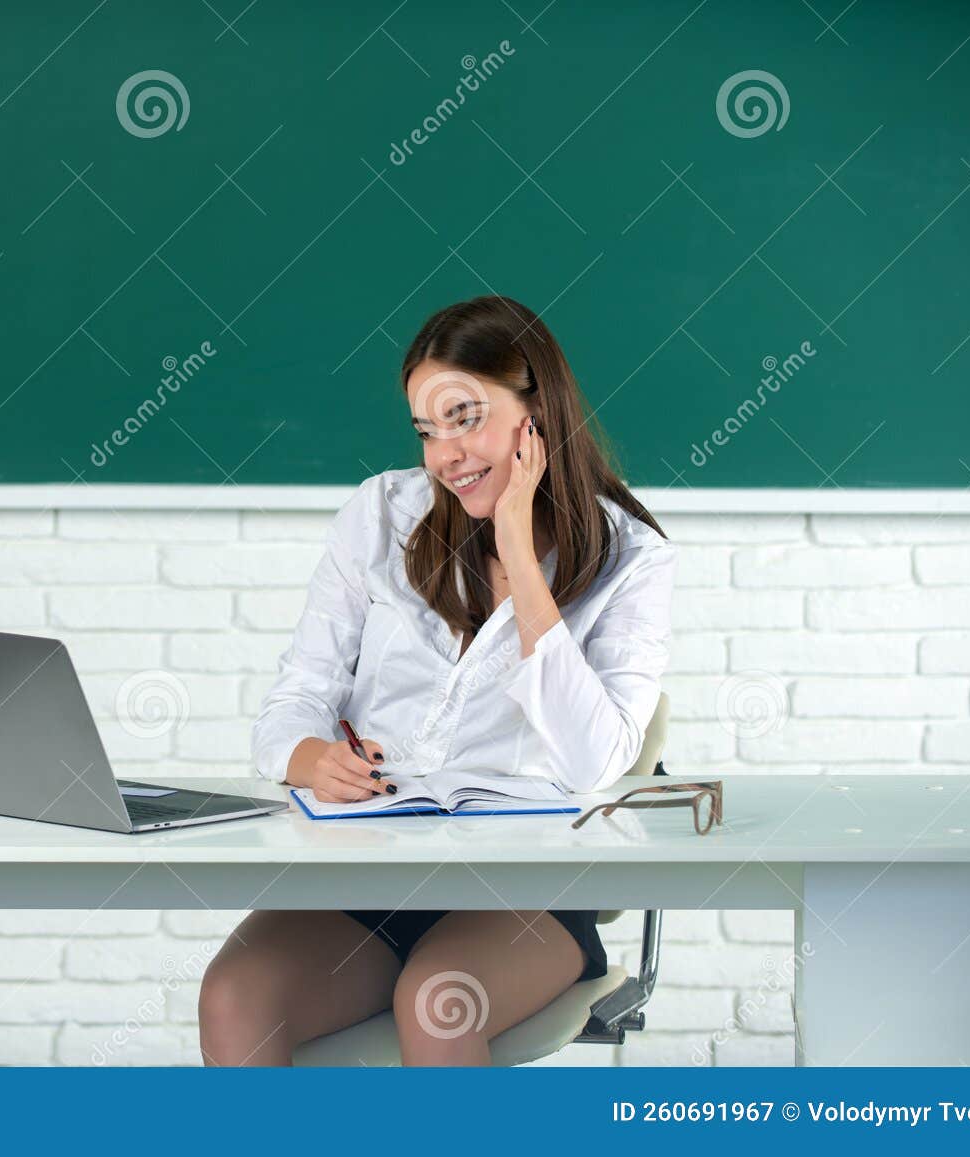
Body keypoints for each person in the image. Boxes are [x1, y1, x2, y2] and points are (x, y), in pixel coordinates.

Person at [199, 295, 677, 1066]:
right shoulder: (380, 515)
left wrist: (520, 552)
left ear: (536, 412)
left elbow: (597, 763)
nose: (445, 454)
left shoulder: (632, 559)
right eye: (427, 430)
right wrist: (308, 757)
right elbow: (293, 701)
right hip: (374, 868)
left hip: (527, 890)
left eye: (466, 418)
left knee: (438, 1002)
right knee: (235, 993)